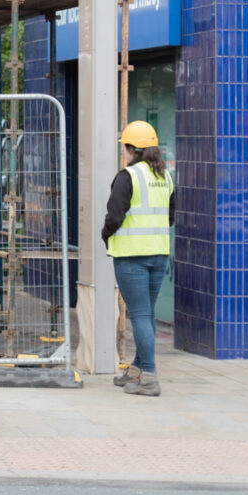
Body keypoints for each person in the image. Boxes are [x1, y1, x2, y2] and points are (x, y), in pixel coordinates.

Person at [102, 120, 174, 397]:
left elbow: (115, 216)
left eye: (126, 148)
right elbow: (171, 216)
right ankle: (136, 369)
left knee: (140, 314)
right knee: (147, 313)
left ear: (132, 149)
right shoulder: (164, 176)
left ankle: (150, 377)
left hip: (132, 256)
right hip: (158, 254)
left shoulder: (128, 176)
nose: (125, 153)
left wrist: (105, 235)